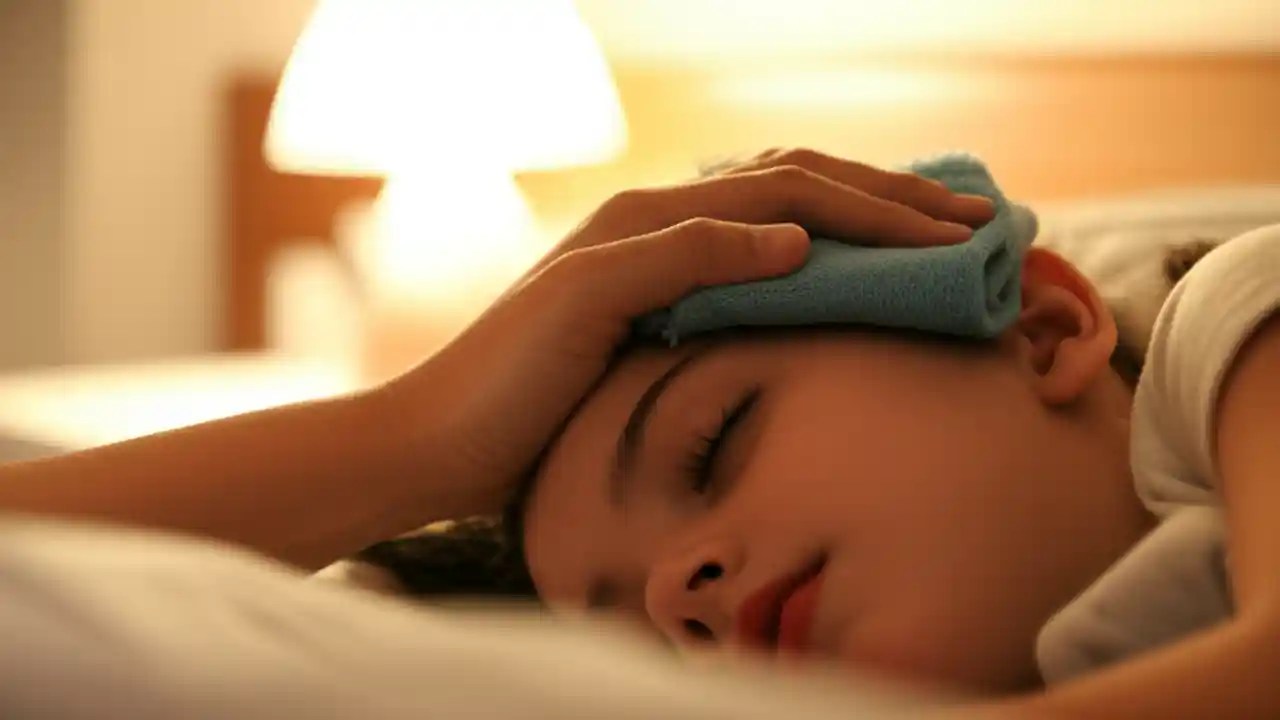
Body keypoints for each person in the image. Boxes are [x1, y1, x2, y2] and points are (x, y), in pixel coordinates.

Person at [0, 151, 1003, 719]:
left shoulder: (1172, 344)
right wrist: (415, 439)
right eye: (622, 641)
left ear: (1043, 325)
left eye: (710, 443)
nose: (667, 598)